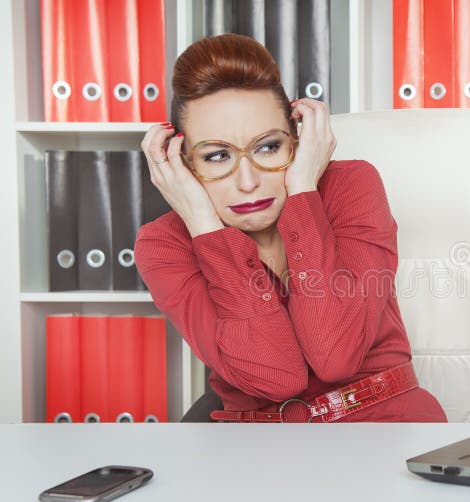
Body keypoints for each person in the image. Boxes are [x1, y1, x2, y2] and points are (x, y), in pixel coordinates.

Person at [134, 34, 446, 423]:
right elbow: (276, 377)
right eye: (216, 156)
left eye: (268, 147)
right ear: (182, 164)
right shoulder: (165, 243)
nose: (247, 182)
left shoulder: (351, 187)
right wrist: (204, 226)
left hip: (382, 429)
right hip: (257, 452)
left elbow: (336, 357)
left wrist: (303, 192)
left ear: (296, 144)